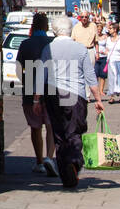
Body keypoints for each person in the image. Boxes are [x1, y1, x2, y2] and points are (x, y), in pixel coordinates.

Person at [40, 15, 104, 189]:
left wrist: (38, 99)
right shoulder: (80, 49)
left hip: (53, 93)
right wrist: (98, 99)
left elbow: (42, 75)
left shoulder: (48, 49)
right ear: (70, 30)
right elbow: (91, 77)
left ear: (54, 30)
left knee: (59, 134)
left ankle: (67, 175)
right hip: (76, 95)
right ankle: (74, 162)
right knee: (75, 131)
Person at [17, 12, 57, 176]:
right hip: (50, 89)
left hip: (30, 90)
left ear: (33, 26)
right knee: (50, 125)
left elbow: (18, 68)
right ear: (47, 26)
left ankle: (39, 161)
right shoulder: (53, 43)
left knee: (35, 127)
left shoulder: (26, 44)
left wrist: (25, 82)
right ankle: (49, 157)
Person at [105, 22, 120, 103]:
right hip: (111, 61)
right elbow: (107, 50)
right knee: (111, 79)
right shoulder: (108, 39)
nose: (109, 30)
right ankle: (111, 96)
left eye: (110, 28)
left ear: (115, 29)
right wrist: (103, 52)